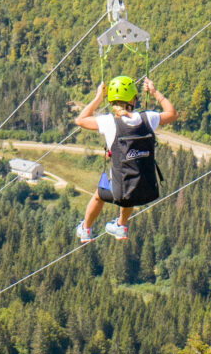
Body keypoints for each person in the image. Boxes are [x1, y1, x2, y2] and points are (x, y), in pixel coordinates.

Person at [74, 75, 177, 243]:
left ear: (112, 102)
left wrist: (98, 97)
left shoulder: (109, 122)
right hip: (147, 189)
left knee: (99, 194)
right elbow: (172, 114)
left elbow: (80, 120)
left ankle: (86, 229)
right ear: (133, 100)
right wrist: (155, 92)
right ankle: (121, 225)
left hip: (122, 192)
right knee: (130, 182)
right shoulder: (148, 119)